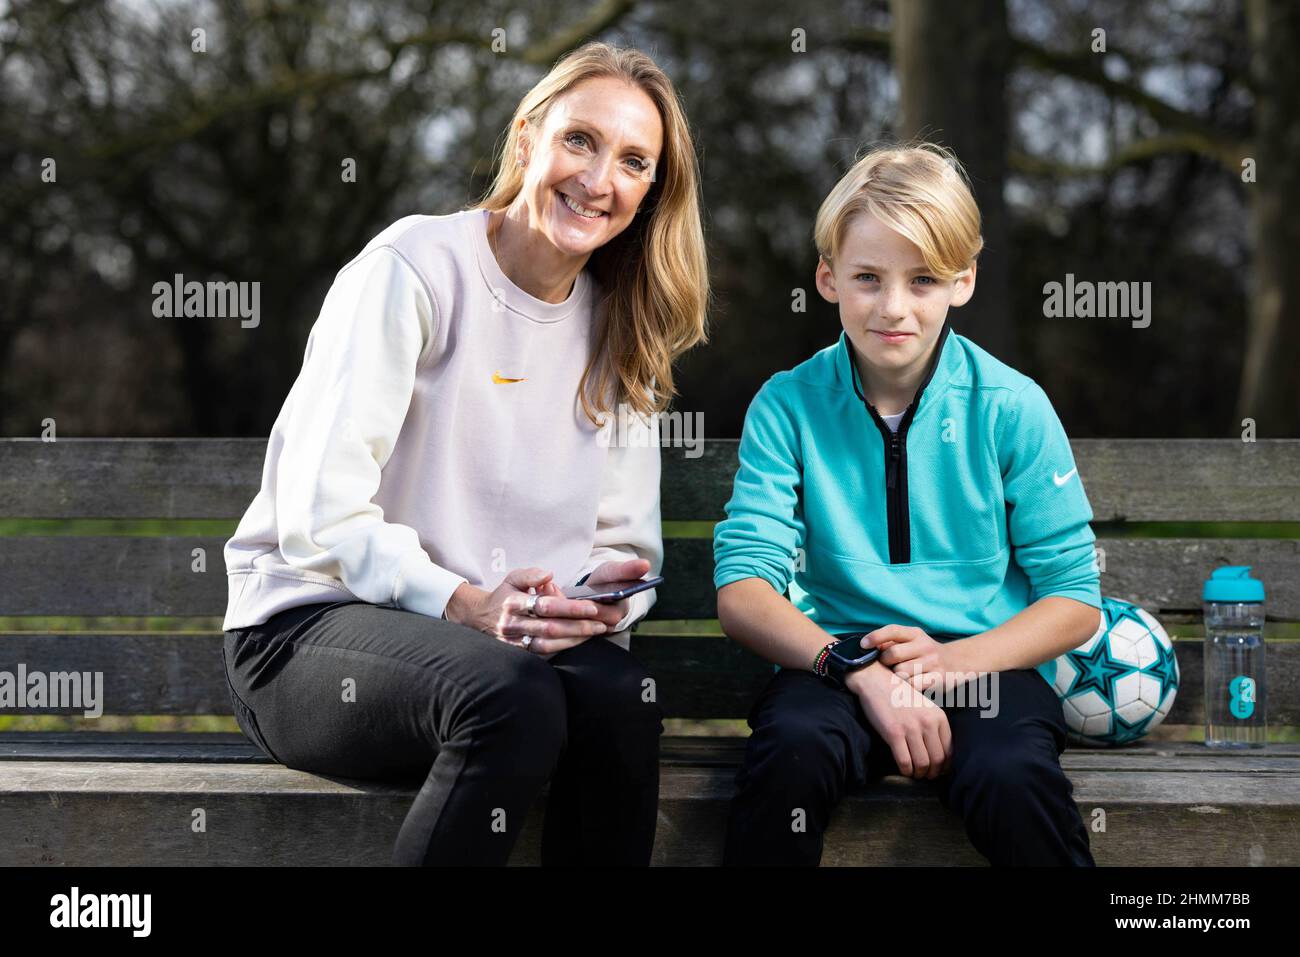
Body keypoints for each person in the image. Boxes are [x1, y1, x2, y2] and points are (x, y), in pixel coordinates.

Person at [221, 41, 709, 866]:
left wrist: (595, 603)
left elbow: (622, 545)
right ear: (527, 138)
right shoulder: (412, 267)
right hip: (308, 632)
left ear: (651, 192)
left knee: (622, 700)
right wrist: (465, 601)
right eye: (580, 140)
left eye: (634, 161)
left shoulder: (622, 325)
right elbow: (320, 515)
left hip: (505, 649)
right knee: (511, 697)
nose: (600, 179)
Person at [714, 142, 1102, 866]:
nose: (893, 307)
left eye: (923, 279)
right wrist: (858, 673)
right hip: (833, 666)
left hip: (985, 665)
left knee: (1012, 776)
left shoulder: (1011, 406)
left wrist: (953, 663)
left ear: (963, 280)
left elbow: (1075, 600)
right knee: (792, 750)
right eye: (868, 277)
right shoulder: (788, 405)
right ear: (827, 277)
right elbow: (743, 591)